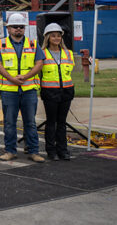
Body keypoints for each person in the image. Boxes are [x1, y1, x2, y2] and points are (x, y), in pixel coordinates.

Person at [0, 13, 45, 163]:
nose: (18, 29)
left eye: (21, 27)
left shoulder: (33, 44)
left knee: (30, 122)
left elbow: (39, 63)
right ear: (8, 29)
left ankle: (33, 151)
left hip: (28, 90)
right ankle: (10, 151)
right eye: (15, 27)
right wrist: (11, 79)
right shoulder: (1, 44)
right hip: (9, 90)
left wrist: (26, 76)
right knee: (10, 122)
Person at [40, 23, 75, 161]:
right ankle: (51, 150)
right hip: (50, 92)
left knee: (62, 122)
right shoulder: (42, 53)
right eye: (53, 36)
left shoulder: (68, 53)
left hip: (66, 92)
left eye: (59, 36)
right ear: (47, 37)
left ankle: (63, 150)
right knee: (51, 122)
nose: (56, 38)